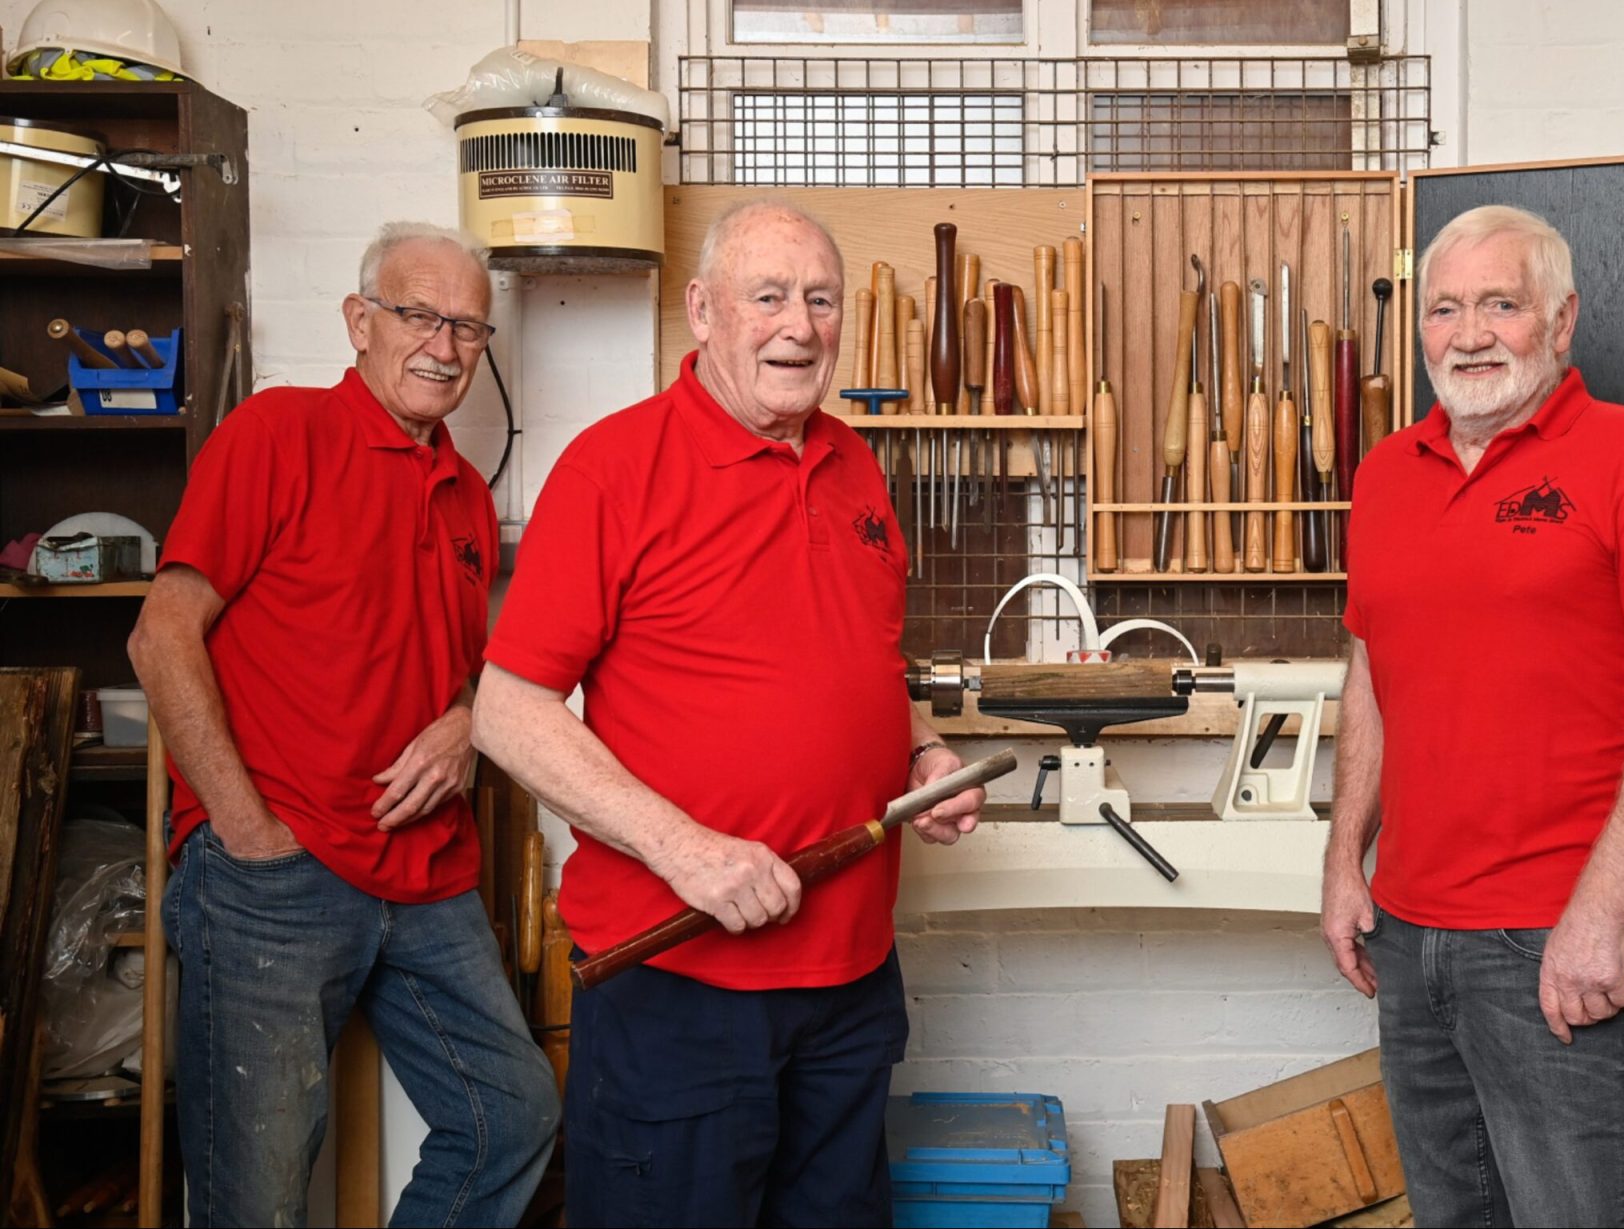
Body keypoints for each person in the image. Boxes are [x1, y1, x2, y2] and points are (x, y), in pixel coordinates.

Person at [471, 198, 985, 1228]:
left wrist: (922, 752)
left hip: (848, 976)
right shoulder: (615, 468)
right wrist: (686, 848)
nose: (798, 323)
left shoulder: (854, 466)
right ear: (701, 311)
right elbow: (506, 709)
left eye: (820, 298)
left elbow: (861, 663)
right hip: (680, 977)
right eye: (767, 296)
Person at [129, 222, 558, 1227]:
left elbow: (453, 675)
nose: (444, 346)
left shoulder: (460, 491)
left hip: (425, 874)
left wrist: (463, 721)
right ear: (359, 320)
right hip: (274, 872)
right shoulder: (278, 433)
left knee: (511, 1111)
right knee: (257, 1195)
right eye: (419, 314)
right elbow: (160, 638)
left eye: (467, 327)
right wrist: (245, 832)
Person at [1321, 204, 1624, 1227]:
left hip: (1554, 941)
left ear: (1560, 323)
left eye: (1499, 305)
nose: (1467, 334)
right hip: (1412, 936)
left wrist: (1599, 913)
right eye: (1444, 309)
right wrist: (1343, 860)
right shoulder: (1383, 476)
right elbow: (1371, 676)